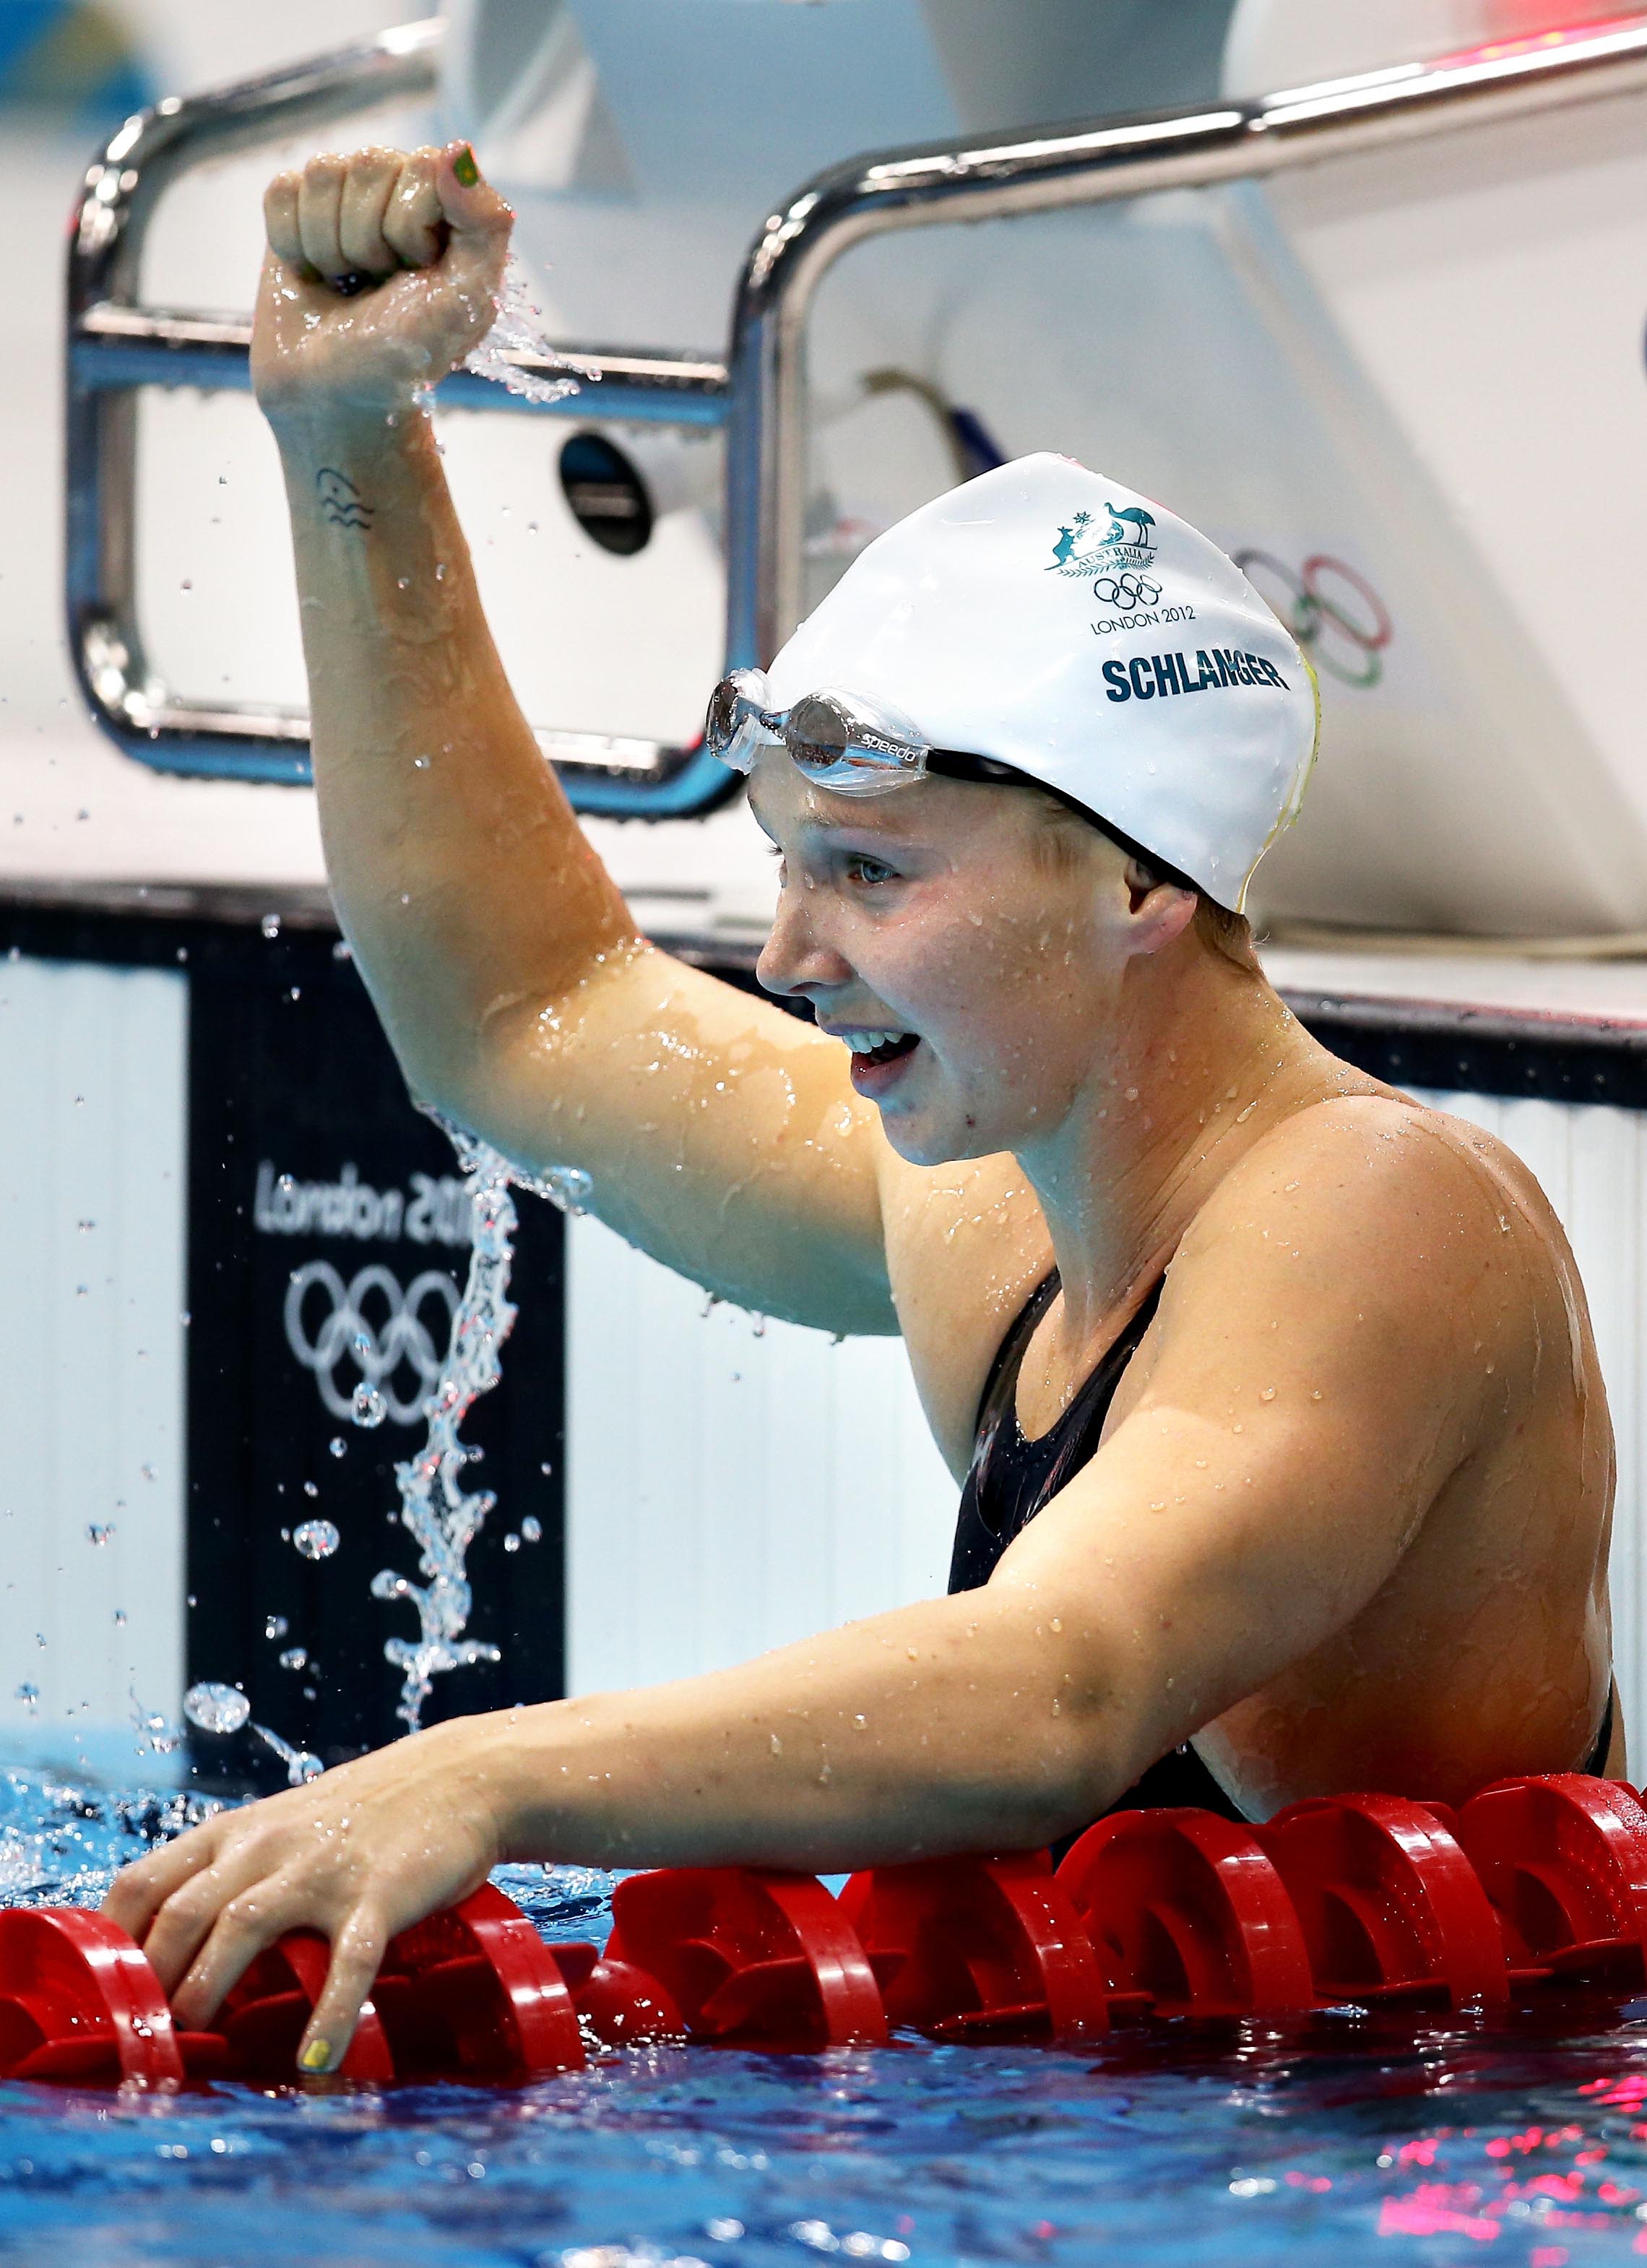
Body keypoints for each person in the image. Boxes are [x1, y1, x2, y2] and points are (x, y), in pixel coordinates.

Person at [105, 143, 1619, 2074]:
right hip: (1169, 2133)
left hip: (1465, 2147)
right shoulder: (1004, 1202)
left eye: (873, 876)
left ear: (1139, 883)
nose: (790, 953)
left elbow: (1063, 1682)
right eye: (789, 864)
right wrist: (349, 448)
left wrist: (479, 1774)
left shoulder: (1389, 1209)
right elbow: (524, 1017)